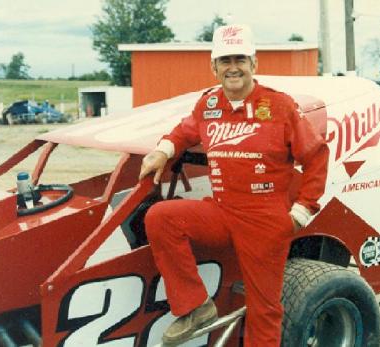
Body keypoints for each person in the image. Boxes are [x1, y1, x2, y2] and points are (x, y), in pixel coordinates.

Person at [139, 24, 328, 346]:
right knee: (161, 217)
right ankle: (195, 307)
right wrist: (162, 151)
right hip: (223, 210)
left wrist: (300, 212)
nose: (233, 67)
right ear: (214, 67)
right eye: (225, 61)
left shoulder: (279, 105)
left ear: (254, 64)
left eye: (240, 59)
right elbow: (184, 132)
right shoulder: (208, 104)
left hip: (265, 218)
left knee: (263, 308)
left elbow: (316, 156)